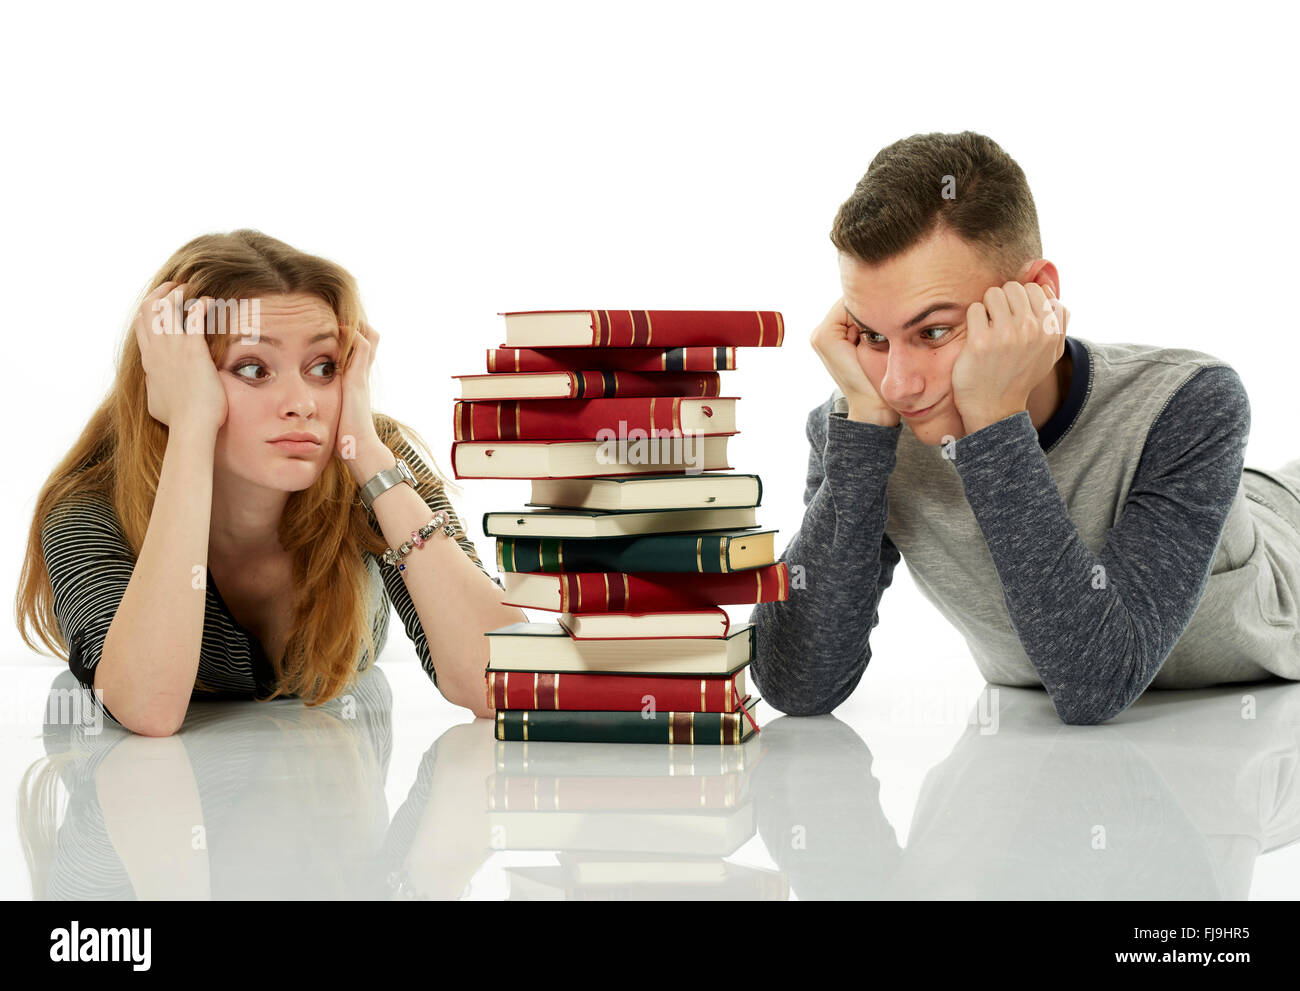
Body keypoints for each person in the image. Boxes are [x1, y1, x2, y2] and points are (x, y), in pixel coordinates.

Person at [751, 131, 1300, 725]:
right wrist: (859, 445)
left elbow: (1096, 682)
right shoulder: (865, 424)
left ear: (1036, 295)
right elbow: (797, 686)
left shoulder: (1190, 404)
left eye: (934, 332)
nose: (897, 385)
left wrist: (993, 419)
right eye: (874, 337)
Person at [15, 229, 525, 735]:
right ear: (177, 376)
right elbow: (147, 709)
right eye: (254, 368)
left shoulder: (376, 463)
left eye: (323, 367)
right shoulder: (89, 506)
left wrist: (368, 457)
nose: (302, 402)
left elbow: (502, 680)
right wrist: (191, 427)